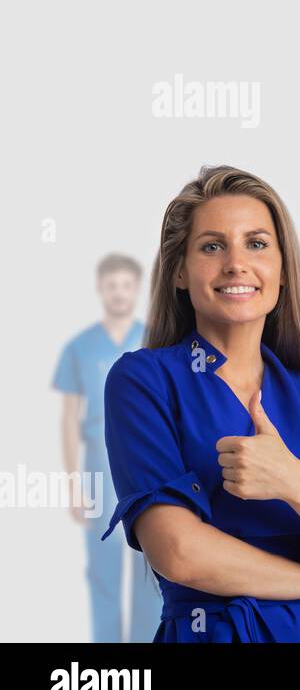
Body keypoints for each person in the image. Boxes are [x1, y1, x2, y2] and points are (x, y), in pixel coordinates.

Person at [100, 164, 300, 642]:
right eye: (212, 245)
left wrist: (293, 479)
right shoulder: (144, 381)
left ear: (283, 271)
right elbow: (179, 551)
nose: (236, 263)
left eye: (257, 244)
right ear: (180, 271)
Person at [52, 253, 161, 642]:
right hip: (98, 473)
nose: (119, 293)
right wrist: (72, 483)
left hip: (146, 468)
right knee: (103, 573)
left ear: (137, 289)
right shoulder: (80, 348)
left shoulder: (155, 341)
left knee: (152, 568)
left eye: (126, 285)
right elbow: (68, 418)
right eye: (111, 285)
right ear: (100, 289)